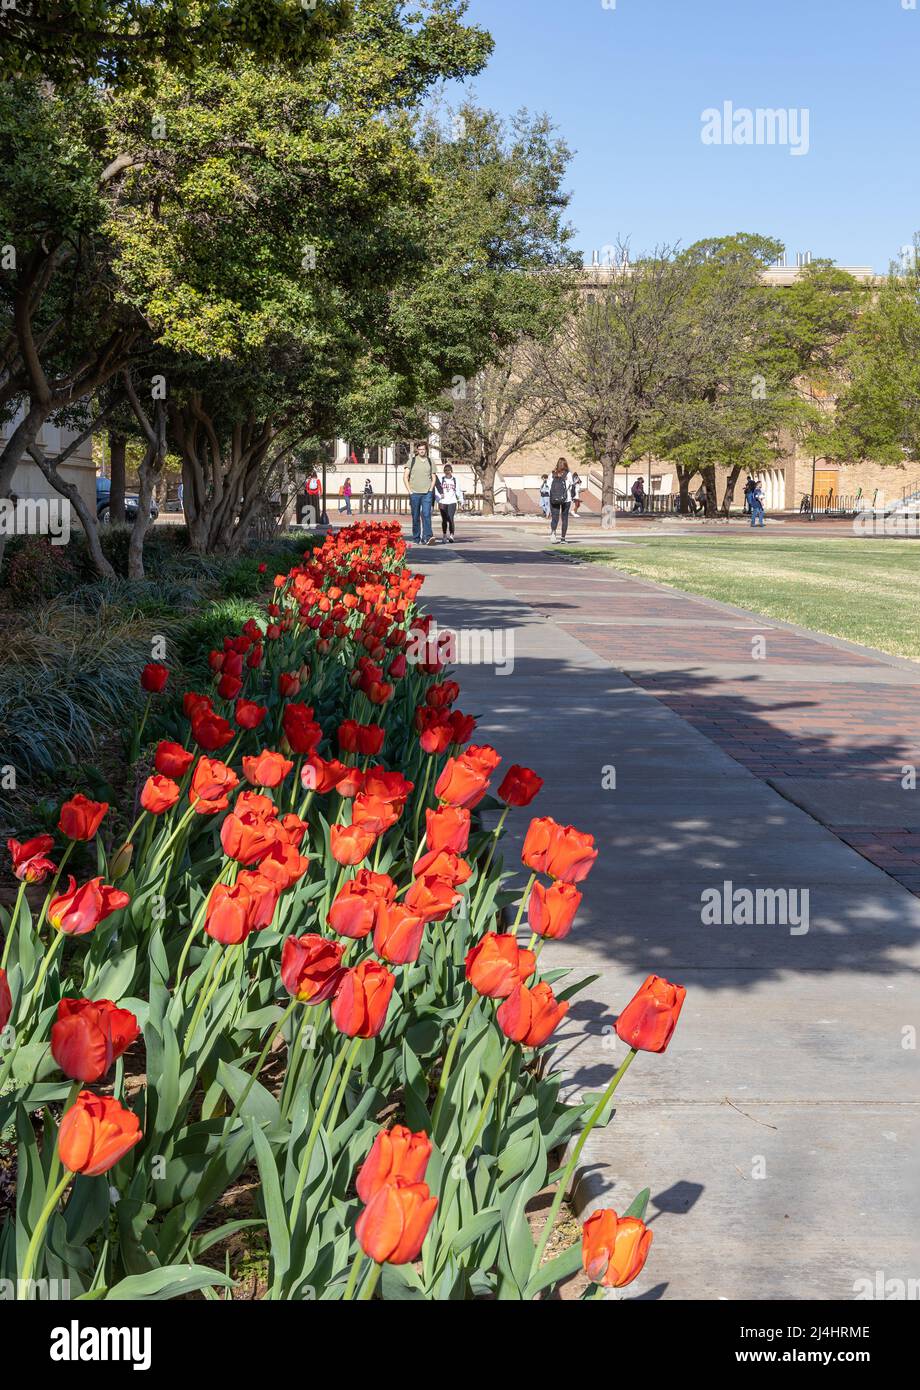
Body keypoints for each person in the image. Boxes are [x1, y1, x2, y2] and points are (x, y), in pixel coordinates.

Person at [403, 440, 436, 545]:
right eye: (420, 449)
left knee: (426, 515)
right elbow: (405, 477)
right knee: (416, 516)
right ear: (417, 450)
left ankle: (428, 537)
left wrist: (430, 490)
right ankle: (416, 538)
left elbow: (434, 477)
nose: (422, 451)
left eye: (423, 449)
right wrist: (410, 491)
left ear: (426, 450)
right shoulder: (412, 461)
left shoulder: (430, 461)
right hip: (415, 493)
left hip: (427, 493)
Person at [434, 463, 464, 542]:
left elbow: (458, 491)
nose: (447, 472)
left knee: (451, 518)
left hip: (452, 502)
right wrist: (438, 499)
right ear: (444, 471)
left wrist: (461, 501)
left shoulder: (455, 480)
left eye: (449, 470)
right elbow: (437, 490)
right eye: (446, 470)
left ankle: (451, 535)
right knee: (444, 519)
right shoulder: (441, 479)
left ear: (451, 471)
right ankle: (444, 535)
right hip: (443, 502)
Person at [549, 458, 572, 543]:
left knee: (555, 517)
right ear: (566, 464)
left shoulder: (552, 474)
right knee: (564, 518)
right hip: (566, 498)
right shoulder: (568, 474)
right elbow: (571, 485)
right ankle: (563, 538)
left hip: (554, 498)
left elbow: (549, 486)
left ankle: (553, 534)